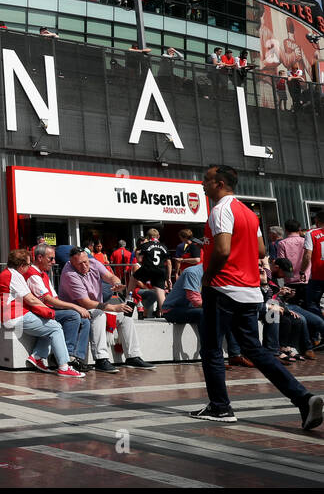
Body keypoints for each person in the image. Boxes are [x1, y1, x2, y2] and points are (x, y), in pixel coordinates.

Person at [190, 164, 323, 429]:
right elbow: (261, 248)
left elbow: (223, 249)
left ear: (219, 184)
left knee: (212, 349)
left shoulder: (220, 210)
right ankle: (303, 398)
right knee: (255, 350)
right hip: (249, 291)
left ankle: (220, 407)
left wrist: (208, 276)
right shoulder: (250, 214)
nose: (202, 185)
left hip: (223, 288)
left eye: (207, 180)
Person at [56, 246, 154, 373]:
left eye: (86, 262)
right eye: (80, 264)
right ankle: (101, 359)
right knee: (99, 314)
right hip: (79, 309)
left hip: (95, 305)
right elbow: (86, 303)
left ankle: (133, 356)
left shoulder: (93, 262)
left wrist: (116, 283)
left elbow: (110, 276)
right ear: (72, 263)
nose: (85, 266)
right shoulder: (69, 273)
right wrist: (114, 307)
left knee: (125, 314)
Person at [0, 250, 83, 378]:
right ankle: (64, 366)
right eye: (28, 264)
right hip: (17, 316)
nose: (29, 267)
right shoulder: (14, 275)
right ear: (21, 266)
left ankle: (37, 357)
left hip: (15, 315)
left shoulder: (8, 273)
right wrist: (48, 310)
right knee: (56, 328)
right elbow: (30, 299)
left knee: (49, 326)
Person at [27, 244, 92, 371]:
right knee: (73, 315)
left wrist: (75, 308)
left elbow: (55, 299)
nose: (54, 262)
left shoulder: (43, 274)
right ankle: (64, 356)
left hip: (48, 309)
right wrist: (75, 307)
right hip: (39, 312)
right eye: (50, 259)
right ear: (40, 257)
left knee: (85, 319)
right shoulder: (32, 273)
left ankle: (75, 357)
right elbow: (47, 299)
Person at [130, 228, 172, 317]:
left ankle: (127, 299)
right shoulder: (164, 247)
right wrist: (168, 278)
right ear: (158, 236)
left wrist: (142, 259)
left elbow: (138, 255)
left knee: (133, 278)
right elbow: (169, 263)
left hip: (148, 268)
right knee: (160, 293)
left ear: (148, 237)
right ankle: (165, 315)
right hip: (161, 271)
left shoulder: (145, 245)